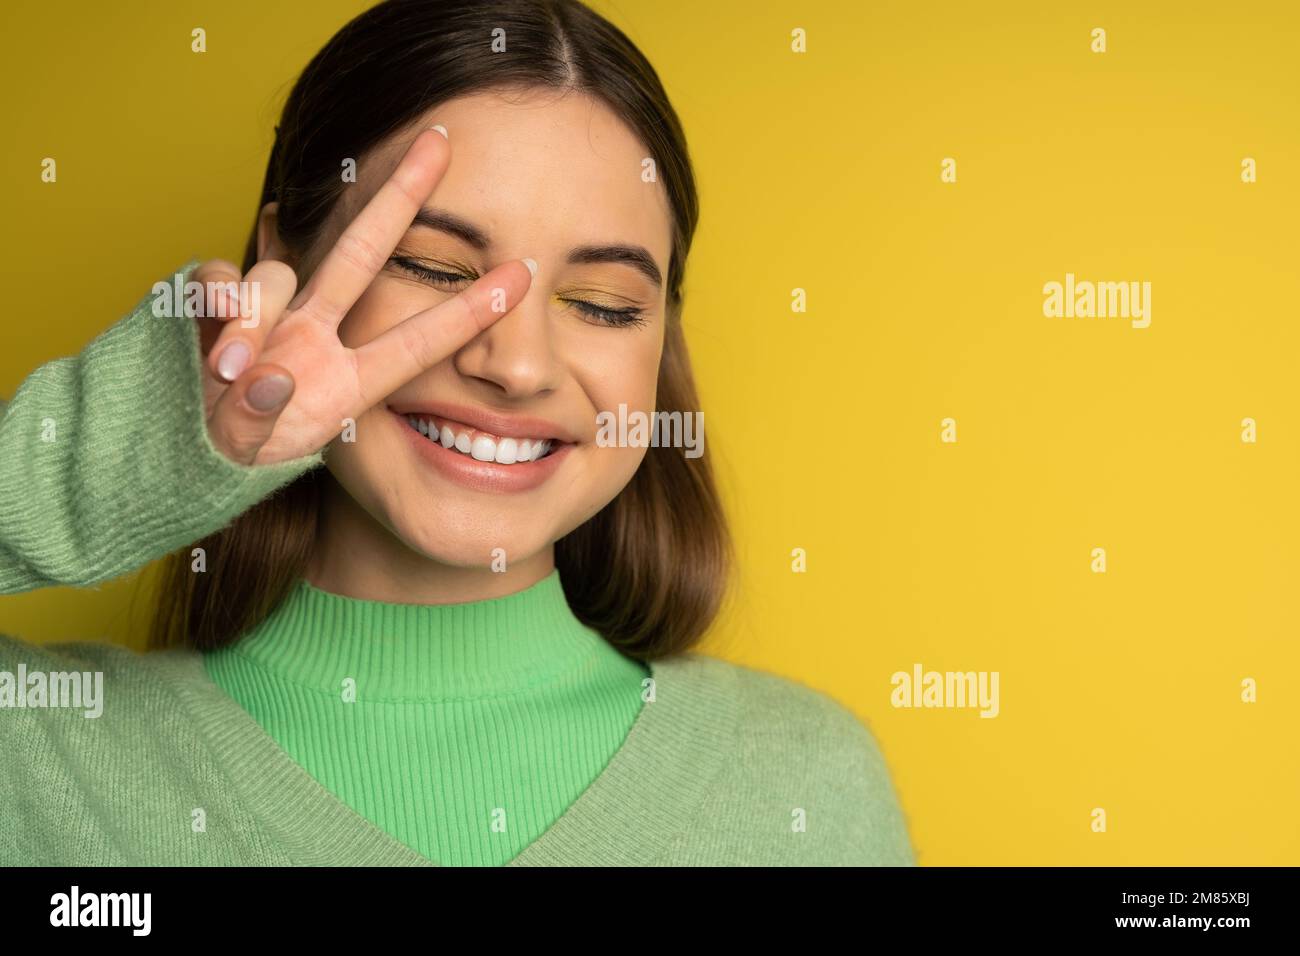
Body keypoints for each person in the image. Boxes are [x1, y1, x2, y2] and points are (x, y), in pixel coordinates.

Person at [0, 0, 915, 866]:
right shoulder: (41, 762)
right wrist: (144, 448)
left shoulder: (807, 790)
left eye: (603, 304)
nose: (515, 366)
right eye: (432, 267)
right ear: (280, 263)